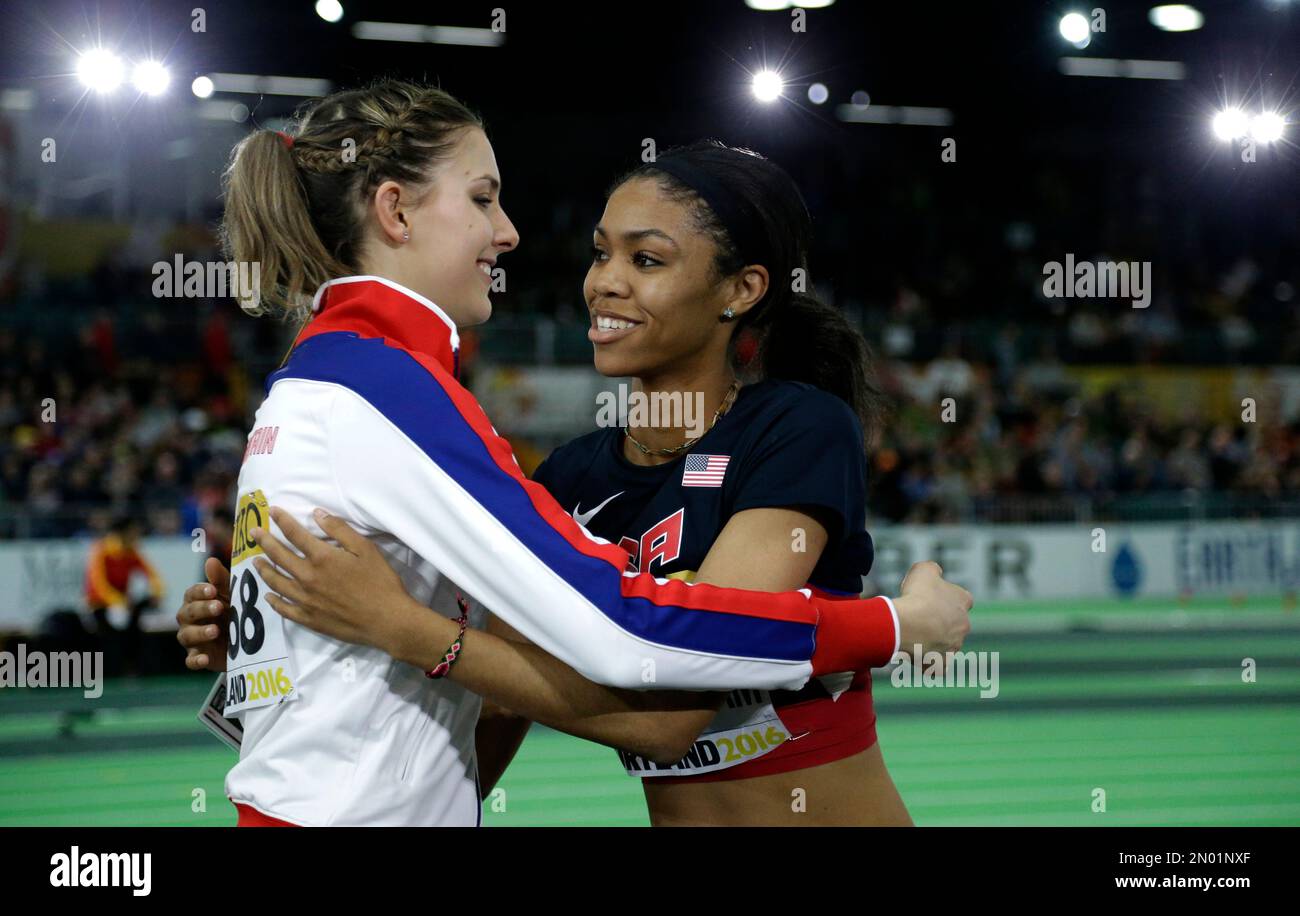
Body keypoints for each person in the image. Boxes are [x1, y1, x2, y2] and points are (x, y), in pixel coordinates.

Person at [181, 91, 973, 826]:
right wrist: (286, 649)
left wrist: (408, 632)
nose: (604, 284)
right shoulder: (556, 471)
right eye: (602, 255)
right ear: (394, 210)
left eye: (647, 260)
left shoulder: (796, 428)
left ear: (741, 289)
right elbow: (495, 704)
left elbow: (666, 713)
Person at [86, 515, 163, 676]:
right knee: (110, 636)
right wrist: (119, 601)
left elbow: (152, 575)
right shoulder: (102, 551)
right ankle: (110, 671)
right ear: (124, 532)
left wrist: (157, 592)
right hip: (100, 604)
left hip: (123, 604)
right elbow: (99, 585)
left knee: (134, 630)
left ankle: (133, 668)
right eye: (133, 531)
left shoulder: (131, 551)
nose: (137, 534)